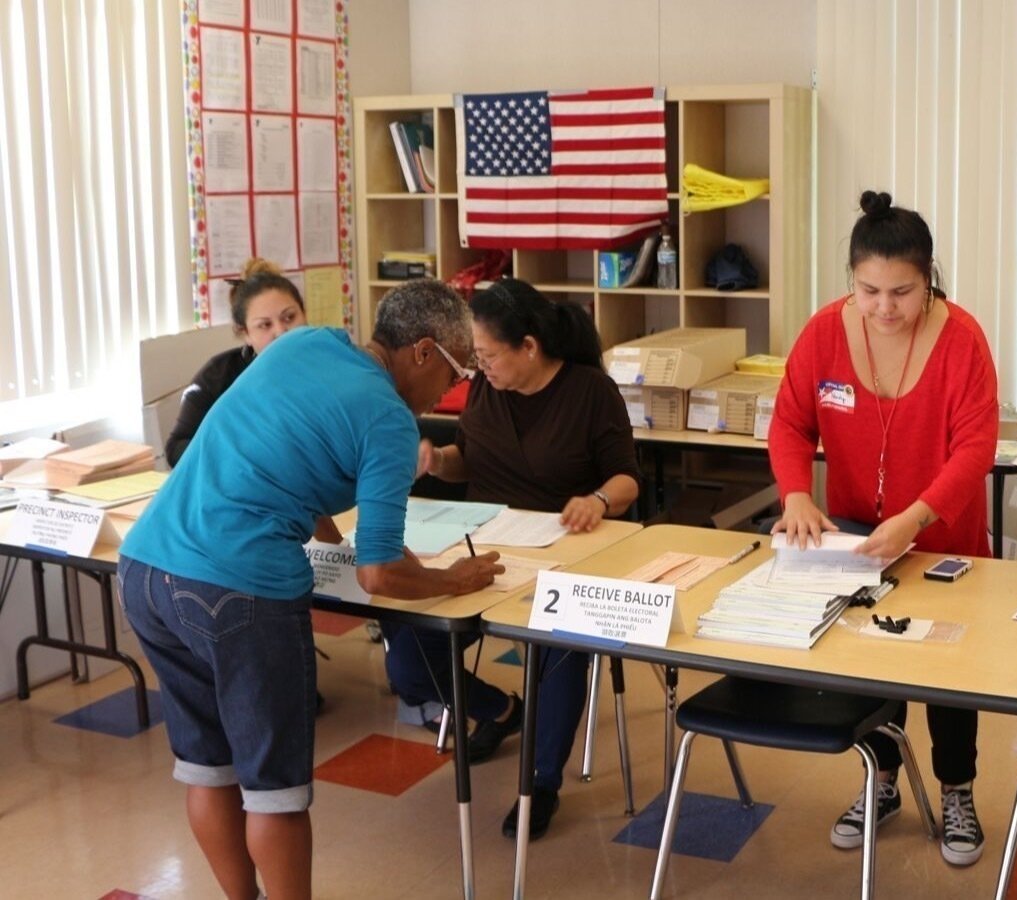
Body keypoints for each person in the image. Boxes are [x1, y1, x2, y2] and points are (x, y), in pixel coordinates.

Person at [117, 278, 504, 900]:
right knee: (275, 794)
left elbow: (291, 462)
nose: (449, 392)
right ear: (425, 352)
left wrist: (355, 546)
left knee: (208, 771)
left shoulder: (304, 345)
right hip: (238, 590)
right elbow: (380, 576)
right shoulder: (389, 420)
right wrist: (448, 579)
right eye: (456, 374)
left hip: (145, 570)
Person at [768, 190, 999, 866]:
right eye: (869, 290)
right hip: (855, 541)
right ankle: (881, 781)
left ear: (929, 280)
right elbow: (789, 423)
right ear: (851, 280)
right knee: (870, 669)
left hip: (943, 541)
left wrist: (917, 517)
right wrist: (794, 494)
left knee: (948, 676)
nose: (885, 307)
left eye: (902, 291)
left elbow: (974, 448)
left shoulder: (961, 339)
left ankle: (958, 791)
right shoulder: (823, 333)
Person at [418, 278, 641, 840]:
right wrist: (435, 461)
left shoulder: (590, 391)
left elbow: (627, 480)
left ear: (530, 348)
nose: (479, 367)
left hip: (567, 552)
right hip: (488, 547)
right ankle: (498, 710)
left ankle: (541, 782)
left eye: (489, 355)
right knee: (409, 653)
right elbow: (469, 459)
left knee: (557, 648)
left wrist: (595, 500)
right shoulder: (488, 389)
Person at [165, 258, 307, 466]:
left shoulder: (332, 366)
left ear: (305, 314)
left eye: (289, 317)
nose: (281, 331)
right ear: (245, 333)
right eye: (265, 325)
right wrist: (237, 451)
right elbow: (177, 449)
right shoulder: (218, 376)